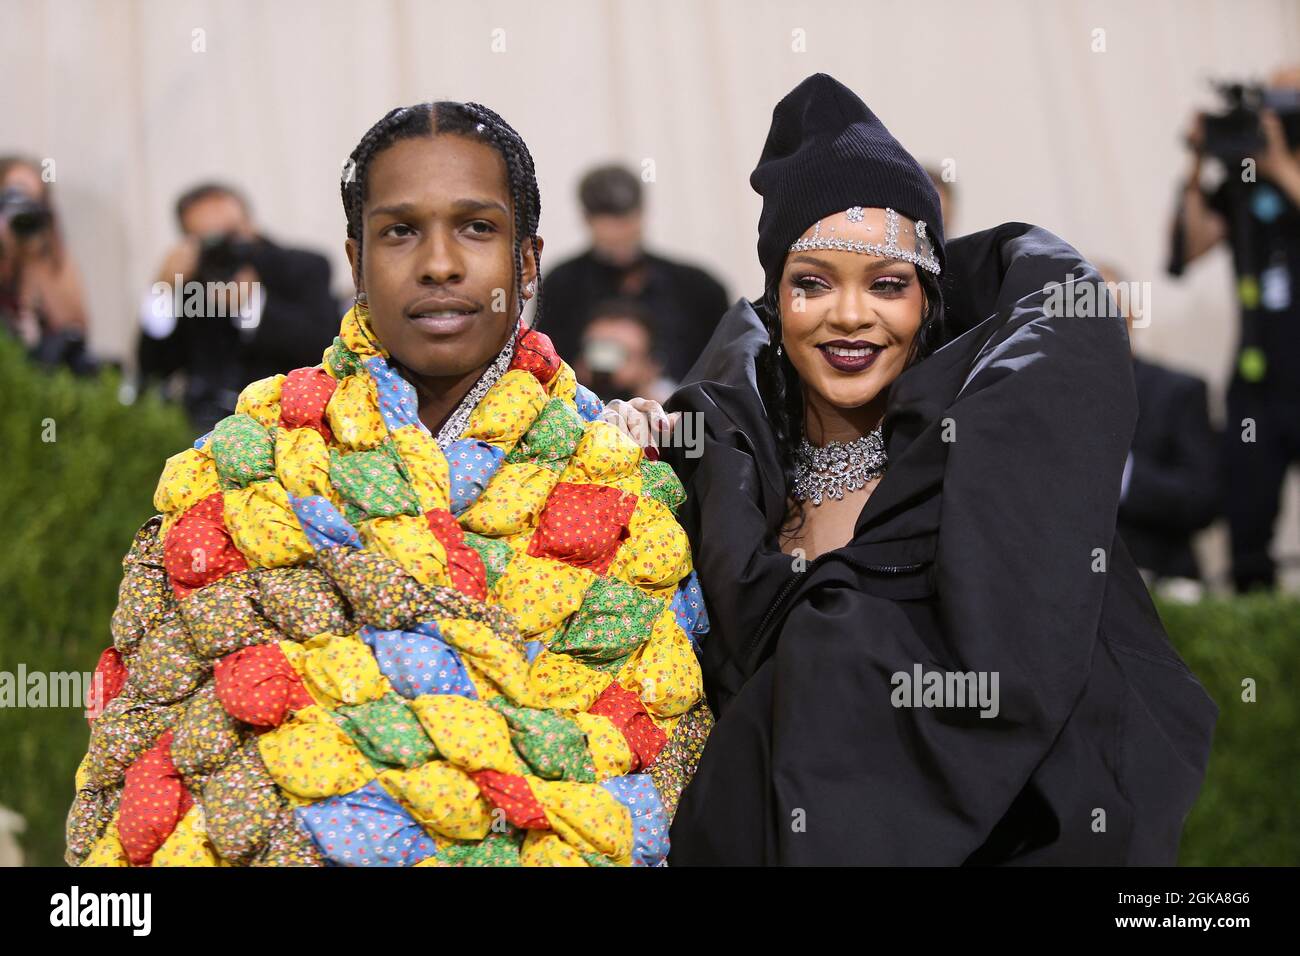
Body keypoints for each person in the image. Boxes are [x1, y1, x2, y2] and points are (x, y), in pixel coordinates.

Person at [65, 101, 709, 868]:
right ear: (355, 259)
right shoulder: (243, 467)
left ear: (528, 261)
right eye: (400, 231)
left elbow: (647, 758)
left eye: (477, 227)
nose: (439, 263)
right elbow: (155, 737)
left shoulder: (615, 483)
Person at [607, 73, 1218, 865]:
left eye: (887, 284)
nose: (851, 315)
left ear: (926, 302)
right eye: (814, 283)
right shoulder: (720, 473)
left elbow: (1054, 739)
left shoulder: (984, 476)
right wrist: (639, 457)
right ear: (777, 302)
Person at [1169, 66, 1300, 592]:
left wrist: (1281, 166)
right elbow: (1186, 250)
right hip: (1258, 381)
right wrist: (1198, 163)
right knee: (1246, 523)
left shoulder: (1281, 172)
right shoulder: (1243, 187)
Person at [137, 182, 340, 432]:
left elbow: (322, 345)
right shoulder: (194, 283)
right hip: (206, 428)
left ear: (249, 226)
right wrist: (163, 289)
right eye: (209, 242)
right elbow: (153, 369)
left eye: (229, 236)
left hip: (288, 424)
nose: (222, 250)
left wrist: (252, 305)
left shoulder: (302, 266)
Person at [541, 164, 729, 382]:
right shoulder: (562, 286)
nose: (620, 234)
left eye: (626, 223)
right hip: (589, 410)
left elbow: (724, 370)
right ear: (587, 220)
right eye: (611, 227)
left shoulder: (699, 288)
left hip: (684, 411)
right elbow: (547, 370)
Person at [1098, 263, 1220, 597]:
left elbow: (1202, 499)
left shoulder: (1178, 393)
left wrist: (1121, 476)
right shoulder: (1042, 399)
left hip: (1160, 584)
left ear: (1133, 314)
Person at [0, 155, 97, 373]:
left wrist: (34, 258)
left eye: (31, 200)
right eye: (14, 195)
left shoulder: (47, 257)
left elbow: (73, 327)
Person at [572, 298, 675, 405]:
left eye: (623, 355)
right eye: (596, 350)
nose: (606, 367)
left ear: (652, 366)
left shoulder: (681, 414)